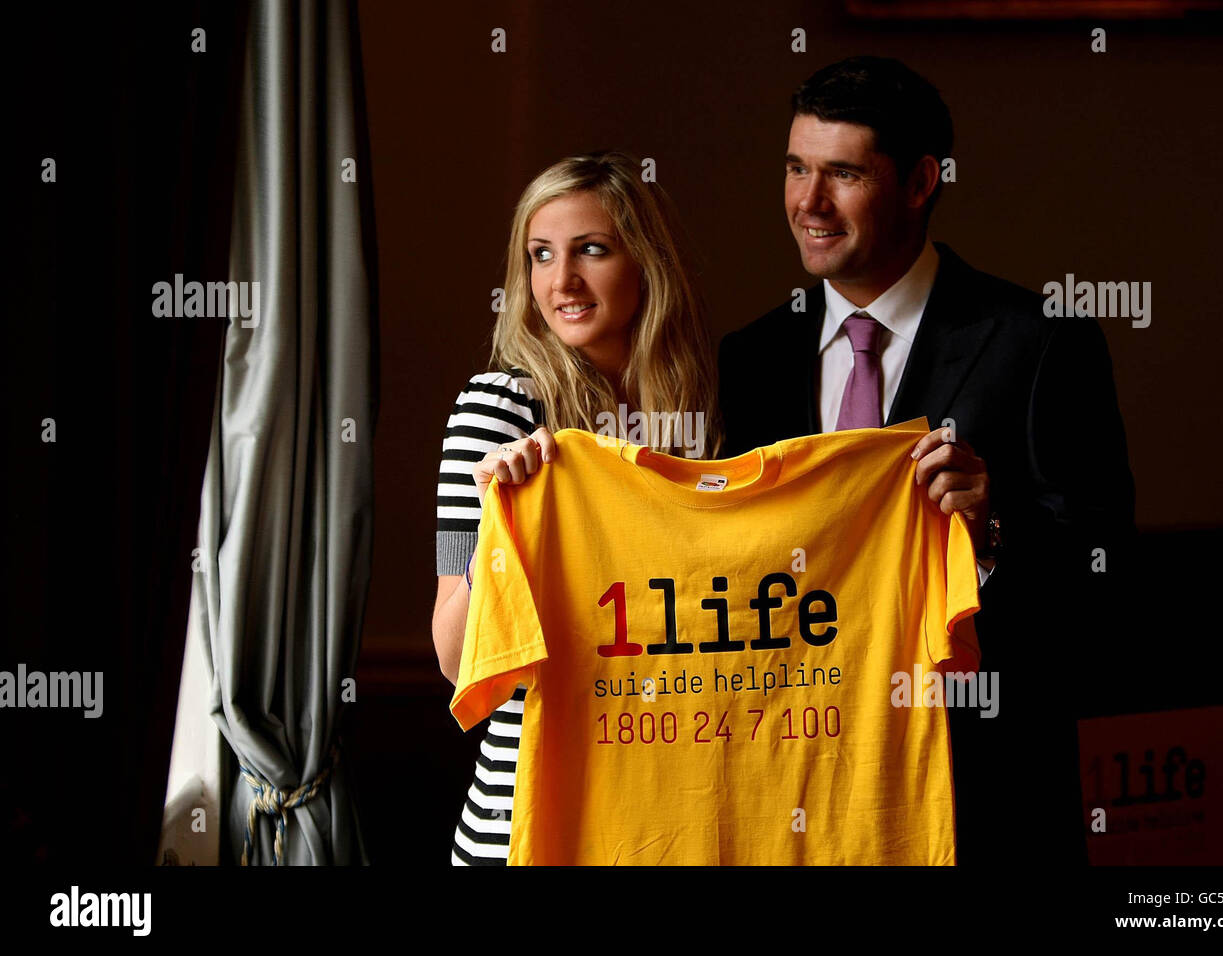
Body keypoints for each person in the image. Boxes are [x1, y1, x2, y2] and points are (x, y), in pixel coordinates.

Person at [718, 56, 1136, 865]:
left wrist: (991, 534)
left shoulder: (1043, 339)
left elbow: (1106, 575)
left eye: (842, 173)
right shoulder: (751, 358)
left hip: (981, 796)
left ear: (919, 182)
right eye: (797, 168)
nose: (808, 203)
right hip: (798, 795)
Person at [431, 150, 721, 865]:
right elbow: (451, 654)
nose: (561, 281)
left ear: (645, 263)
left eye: (591, 250)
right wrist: (500, 519)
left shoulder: (696, 414)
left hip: (666, 813)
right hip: (527, 812)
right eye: (540, 255)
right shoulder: (496, 408)